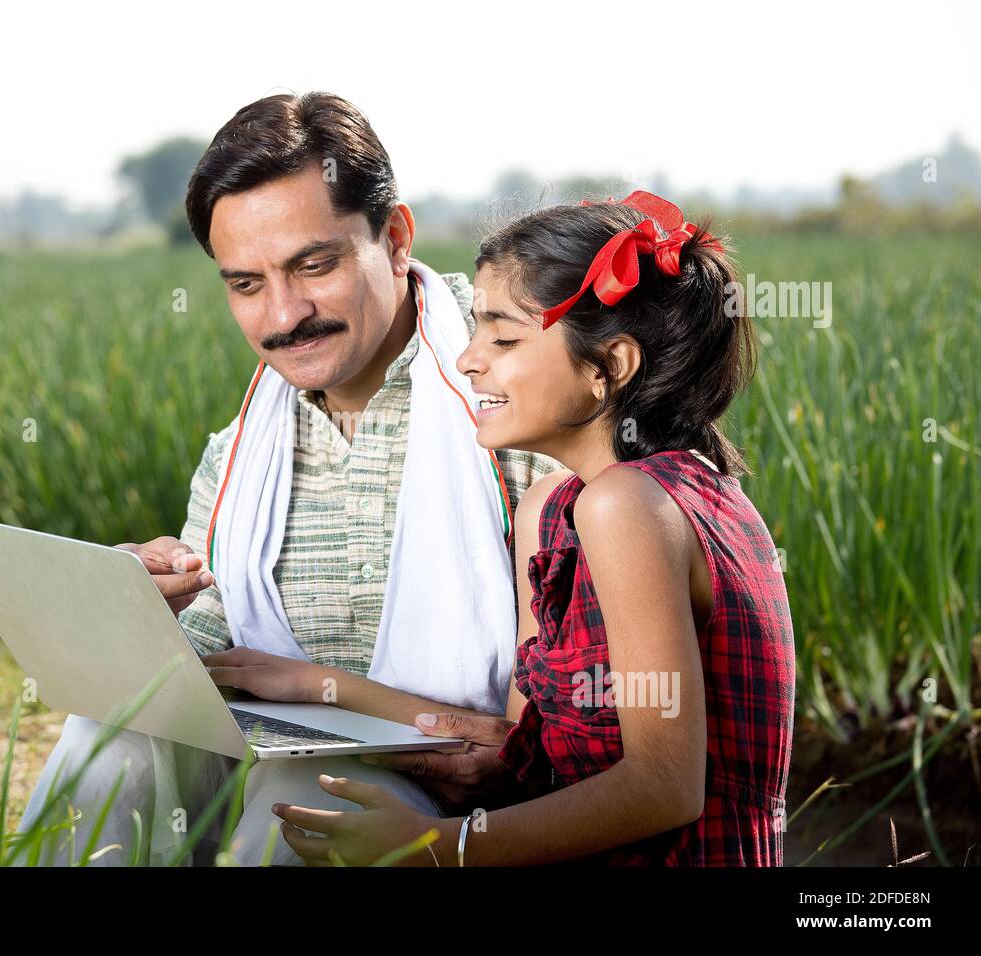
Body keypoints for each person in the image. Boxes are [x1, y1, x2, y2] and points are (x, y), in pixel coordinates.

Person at [16, 92, 559, 866]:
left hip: (456, 811)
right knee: (109, 741)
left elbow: (565, 725)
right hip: (278, 751)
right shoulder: (242, 452)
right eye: (245, 284)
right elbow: (207, 659)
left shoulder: (520, 404)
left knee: (298, 809)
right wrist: (139, 611)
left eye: (314, 264)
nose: (283, 314)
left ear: (395, 237)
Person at [266, 190, 796, 865]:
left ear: (611, 367)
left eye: (504, 337)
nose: (468, 360)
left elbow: (664, 790)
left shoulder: (630, 508)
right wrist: (313, 686)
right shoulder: (554, 509)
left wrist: (435, 844)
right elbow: (518, 748)